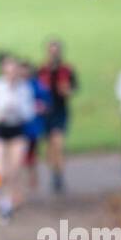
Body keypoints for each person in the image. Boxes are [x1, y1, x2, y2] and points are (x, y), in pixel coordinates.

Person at [0, 53, 34, 221]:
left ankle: (7, 205)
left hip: (17, 130)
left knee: (13, 172)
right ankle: (0, 202)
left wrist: (18, 111)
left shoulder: (24, 88)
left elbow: (30, 111)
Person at [38, 39, 78, 193]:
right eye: (51, 50)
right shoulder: (41, 69)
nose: (53, 53)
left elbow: (74, 87)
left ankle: (59, 175)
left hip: (60, 112)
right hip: (45, 113)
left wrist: (68, 91)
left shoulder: (67, 70)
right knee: (50, 147)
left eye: (56, 50)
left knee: (58, 143)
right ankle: (55, 172)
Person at [21, 59, 50, 194]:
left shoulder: (37, 86)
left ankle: (32, 179)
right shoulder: (17, 86)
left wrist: (41, 107)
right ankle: (23, 180)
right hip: (19, 127)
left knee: (31, 154)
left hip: (32, 127)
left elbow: (46, 103)